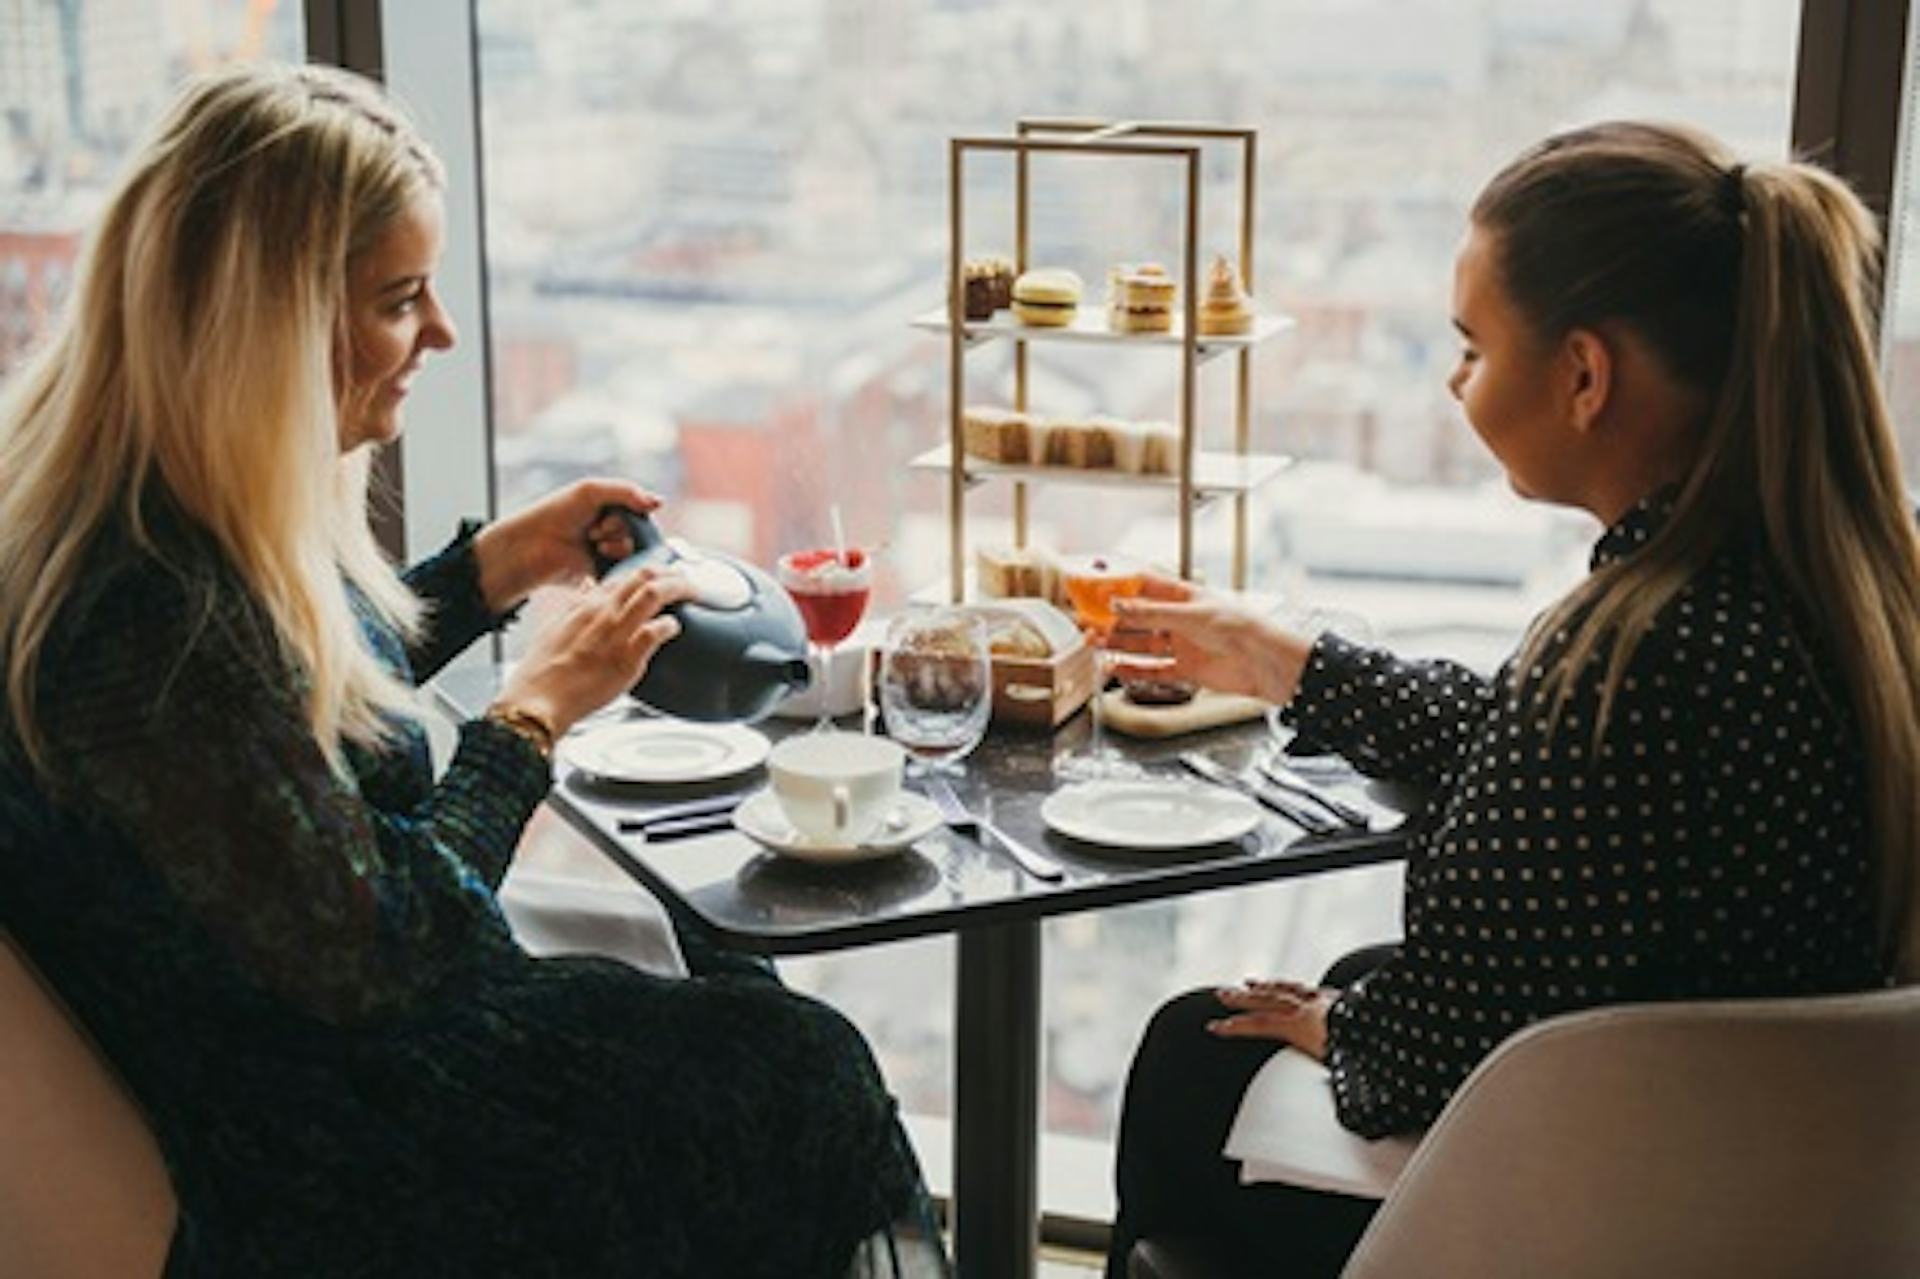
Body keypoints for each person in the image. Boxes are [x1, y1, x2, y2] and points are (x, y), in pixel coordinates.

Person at [0, 64, 944, 1278]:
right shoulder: (153, 622)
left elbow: (274, 748)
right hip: (311, 1137)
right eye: (401, 298)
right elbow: (377, 953)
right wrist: (534, 713)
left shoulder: (135, 529)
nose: (439, 332)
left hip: (277, 1047)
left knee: (729, 981)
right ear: (268, 328)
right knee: (794, 1071)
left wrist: (496, 569)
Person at [1102, 120, 1920, 1279]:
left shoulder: (1627, 659)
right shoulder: (1826, 584)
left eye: (1474, 347)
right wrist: (1292, 661)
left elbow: (1444, 1046)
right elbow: (1525, 748)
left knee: (1195, 1046)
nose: (1455, 380)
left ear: (1585, 375)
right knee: (1342, 980)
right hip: (1783, 1191)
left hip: (1600, 1217)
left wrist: (1347, 1031)